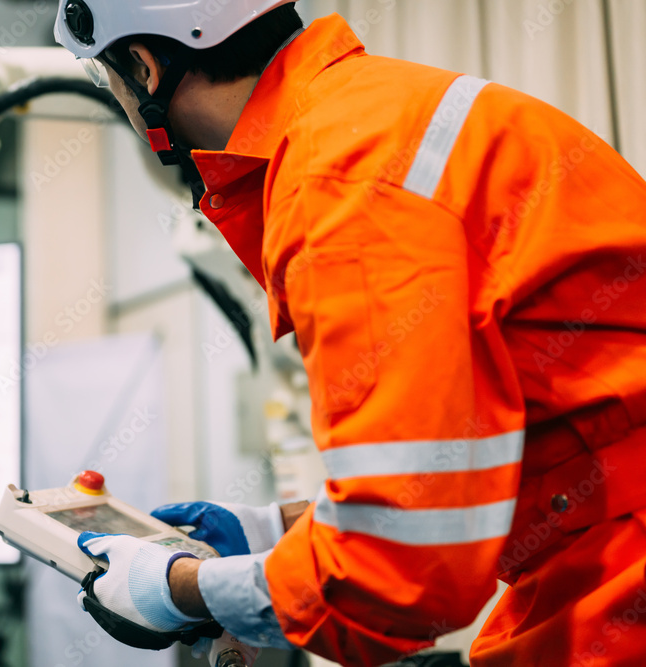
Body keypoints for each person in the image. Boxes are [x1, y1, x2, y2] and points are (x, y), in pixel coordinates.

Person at [54, 2, 646, 665]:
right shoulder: (373, 115)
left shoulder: (337, 183)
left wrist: (179, 588)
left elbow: (402, 571)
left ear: (143, 67)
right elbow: (461, 480)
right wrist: (270, 529)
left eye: (109, 79)